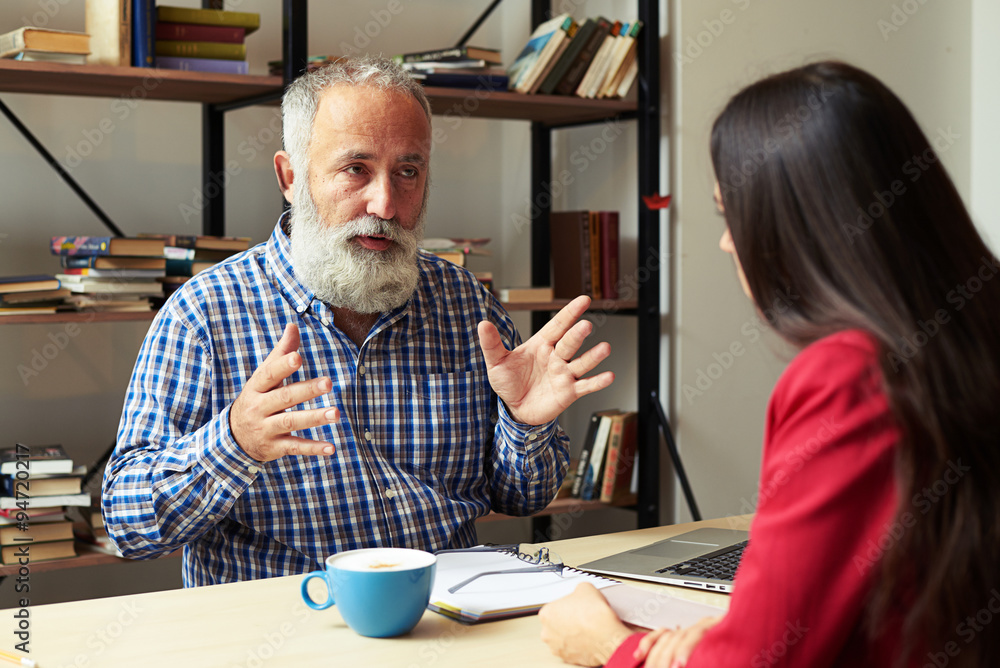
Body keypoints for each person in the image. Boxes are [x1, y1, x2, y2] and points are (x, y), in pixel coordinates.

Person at [539, 60, 1000, 667]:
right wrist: (749, 631)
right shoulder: (969, 335)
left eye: (731, 215)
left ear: (796, 223)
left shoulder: (846, 377)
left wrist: (611, 648)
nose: (729, 242)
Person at [102, 55, 614, 587]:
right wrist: (235, 442)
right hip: (282, 632)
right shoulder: (203, 315)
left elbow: (523, 496)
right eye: (356, 169)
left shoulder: (466, 305)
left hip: (442, 616)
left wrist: (525, 424)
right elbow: (127, 527)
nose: (385, 203)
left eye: (408, 172)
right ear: (291, 176)